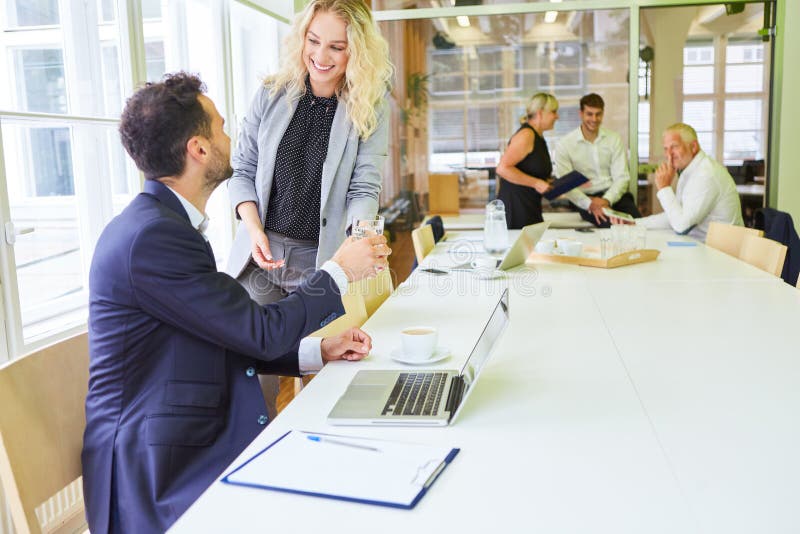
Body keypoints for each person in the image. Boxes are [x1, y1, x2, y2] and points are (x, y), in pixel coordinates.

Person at [81, 73, 391, 533]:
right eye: (222, 127)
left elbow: (225, 330)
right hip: (159, 468)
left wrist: (315, 351)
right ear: (198, 149)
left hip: (175, 439)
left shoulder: (162, 225)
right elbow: (257, 330)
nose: (232, 136)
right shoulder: (154, 237)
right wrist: (340, 270)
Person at [225, 0, 393, 415]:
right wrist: (253, 228)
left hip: (321, 259)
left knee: (330, 372)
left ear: (357, 51)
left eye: (336, 47)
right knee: (250, 377)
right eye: (313, 41)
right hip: (260, 258)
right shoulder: (271, 93)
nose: (320, 56)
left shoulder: (369, 103)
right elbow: (241, 169)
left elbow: (364, 183)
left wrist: (360, 236)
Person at [611, 123, 743, 239]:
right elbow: (674, 217)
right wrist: (635, 223)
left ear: (693, 147)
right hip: (703, 246)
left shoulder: (706, 174)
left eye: (674, 147)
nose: (669, 154)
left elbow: (681, 226)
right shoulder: (689, 170)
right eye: (666, 148)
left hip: (721, 254)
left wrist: (664, 188)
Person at [553, 93, 641, 227]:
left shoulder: (613, 139)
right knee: (610, 224)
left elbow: (622, 177)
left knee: (638, 223)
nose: (594, 119)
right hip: (586, 199)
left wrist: (606, 200)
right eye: (589, 114)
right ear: (581, 114)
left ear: (603, 113)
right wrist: (590, 204)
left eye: (598, 114)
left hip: (614, 195)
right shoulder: (565, 144)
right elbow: (566, 185)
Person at [495, 92, 559, 229]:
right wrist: (536, 183)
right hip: (516, 209)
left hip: (530, 206)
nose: (557, 116)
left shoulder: (539, 137)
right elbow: (502, 168)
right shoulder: (526, 135)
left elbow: (531, 170)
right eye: (554, 112)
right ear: (541, 113)